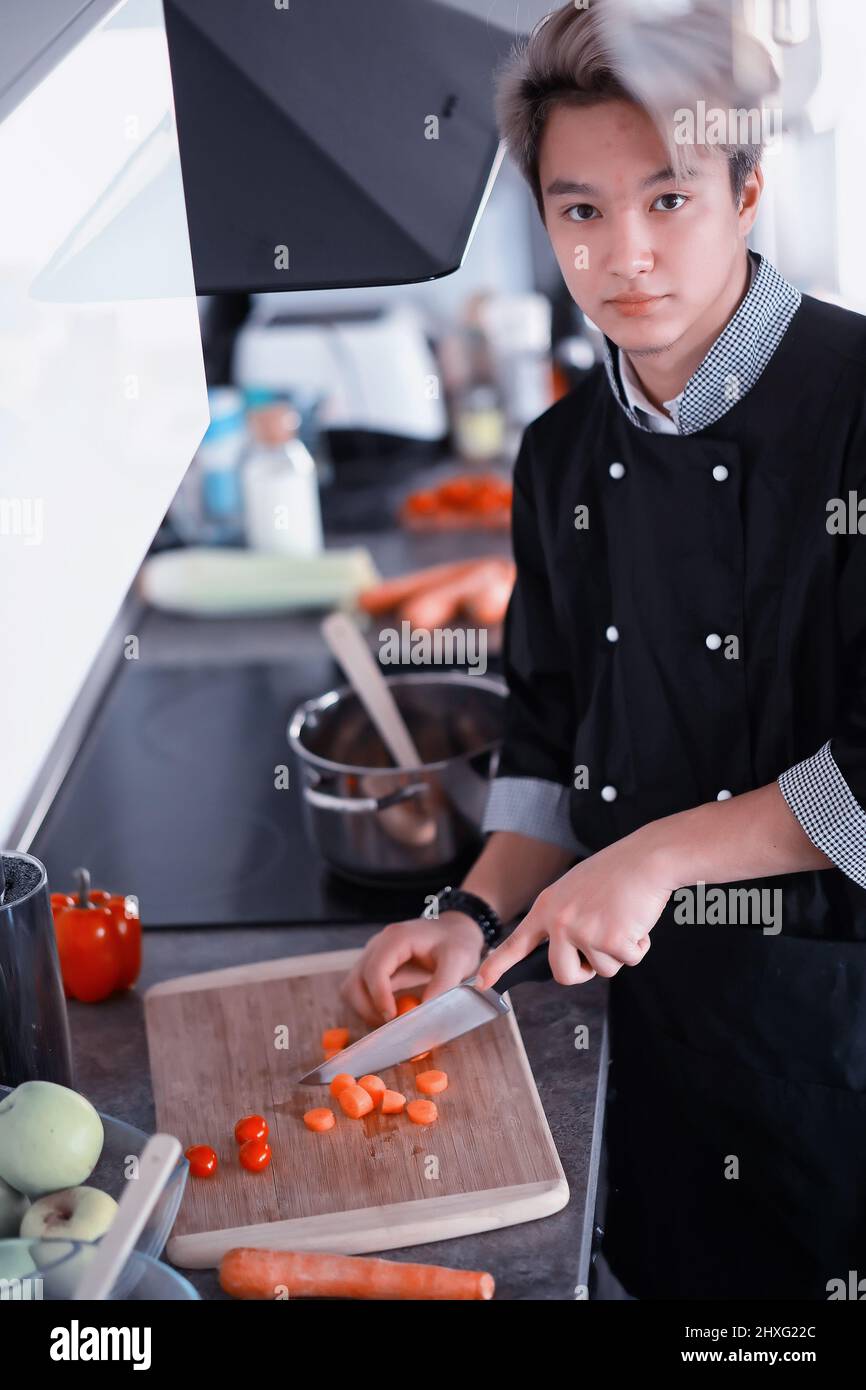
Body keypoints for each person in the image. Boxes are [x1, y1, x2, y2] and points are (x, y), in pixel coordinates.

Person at [341, 0, 866, 1299]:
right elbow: (547, 737)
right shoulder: (558, 454)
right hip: (627, 1038)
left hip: (825, 1048)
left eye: (667, 199)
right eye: (579, 211)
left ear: (744, 191)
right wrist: (469, 909)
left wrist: (658, 855)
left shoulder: (856, 405)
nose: (623, 254)